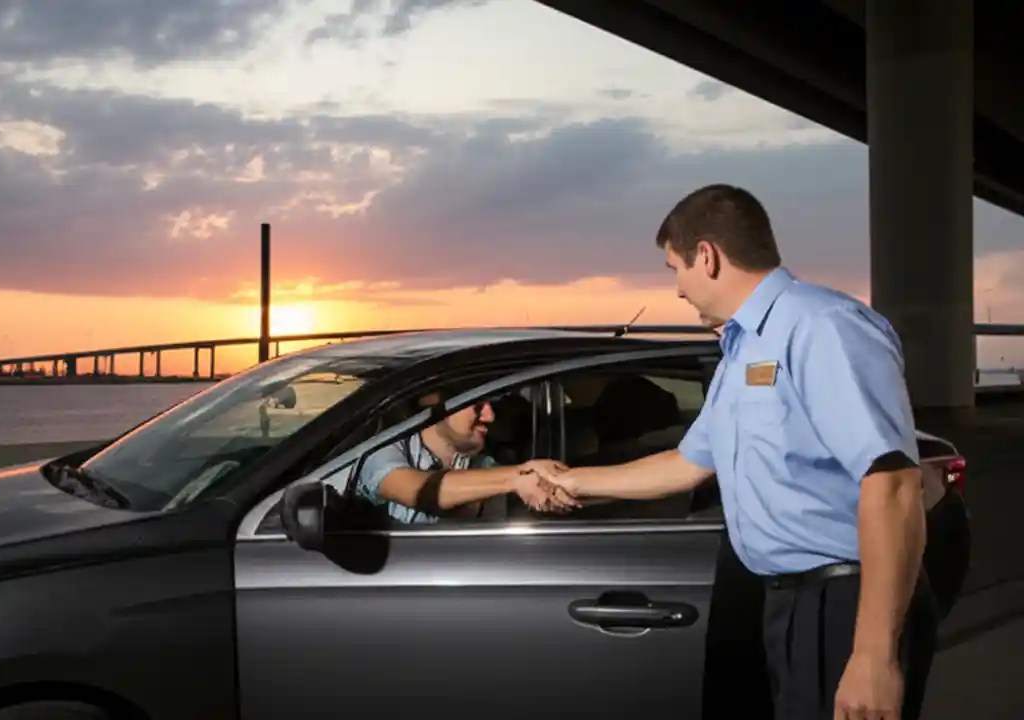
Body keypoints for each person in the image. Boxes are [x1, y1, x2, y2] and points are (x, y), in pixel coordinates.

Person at [545, 184, 937, 720]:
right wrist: (571, 481)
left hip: (844, 601)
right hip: (786, 604)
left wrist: (871, 654)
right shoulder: (743, 346)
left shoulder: (821, 326)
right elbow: (687, 464)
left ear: (705, 256)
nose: (678, 290)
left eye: (673, 269)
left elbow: (891, 482)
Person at [356, 389, 579, 523]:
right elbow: (420, 491)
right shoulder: (383, 454)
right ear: (434, 402)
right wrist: (516, 477)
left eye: (492, 405)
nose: (490, 416)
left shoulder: (484, 466)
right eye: (478, 405)